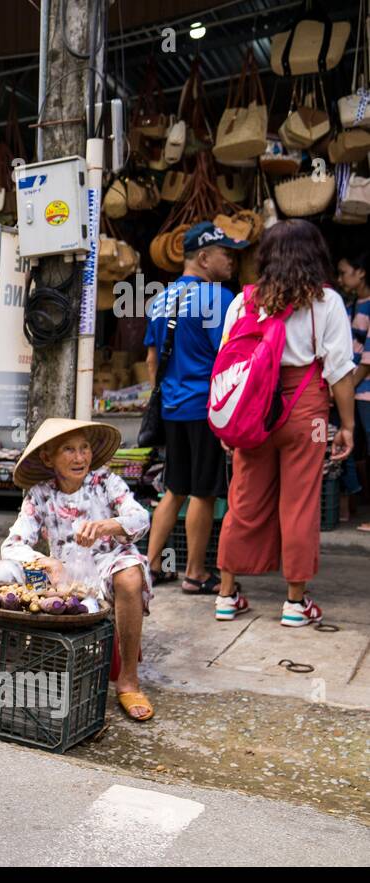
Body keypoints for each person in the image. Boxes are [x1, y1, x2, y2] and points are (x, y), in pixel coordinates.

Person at [214, 220, 357, 627]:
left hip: (253, 408)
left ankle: (226, 594)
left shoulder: (242, 303)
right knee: (300, 503)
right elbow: (339, 371)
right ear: (315, 255)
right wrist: (346, 424)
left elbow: (227, 363)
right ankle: (295, 603)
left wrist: (229, 420)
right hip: (304, 408)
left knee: (244, 498)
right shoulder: (326, 302)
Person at [0, 419, 155, 721]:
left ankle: (128, 681)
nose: (80, 458)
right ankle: (2, 671)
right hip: (60, 575)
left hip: (105, 565)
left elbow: (141, 517)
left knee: (130, 573)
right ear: (48, 457)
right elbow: (12, 543)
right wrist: (46, 562)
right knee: (2, 573)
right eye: (69, 450)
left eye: (84, 448)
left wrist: (108, 525)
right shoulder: (40, 494)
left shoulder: (106, 482)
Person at [143, 222, 246, 594]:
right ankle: (195, 573)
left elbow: (152, 359)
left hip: (173, 408)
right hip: (205, 410)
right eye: (225, 254)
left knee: (175, 489)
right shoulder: (220, 299)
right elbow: (230, 356)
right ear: (204, 257)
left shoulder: (161, 298)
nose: (232, 262)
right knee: (204, 492)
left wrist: (167, 392)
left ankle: (151, 566)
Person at [336, 251, 370, 531]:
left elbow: (367, 360)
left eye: (345, 272)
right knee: (357, 449)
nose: (340, 278)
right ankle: (354, 502)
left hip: (362, 389)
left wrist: (344, 388)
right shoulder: (350, 304)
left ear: (361, 273)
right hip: (351, 390)